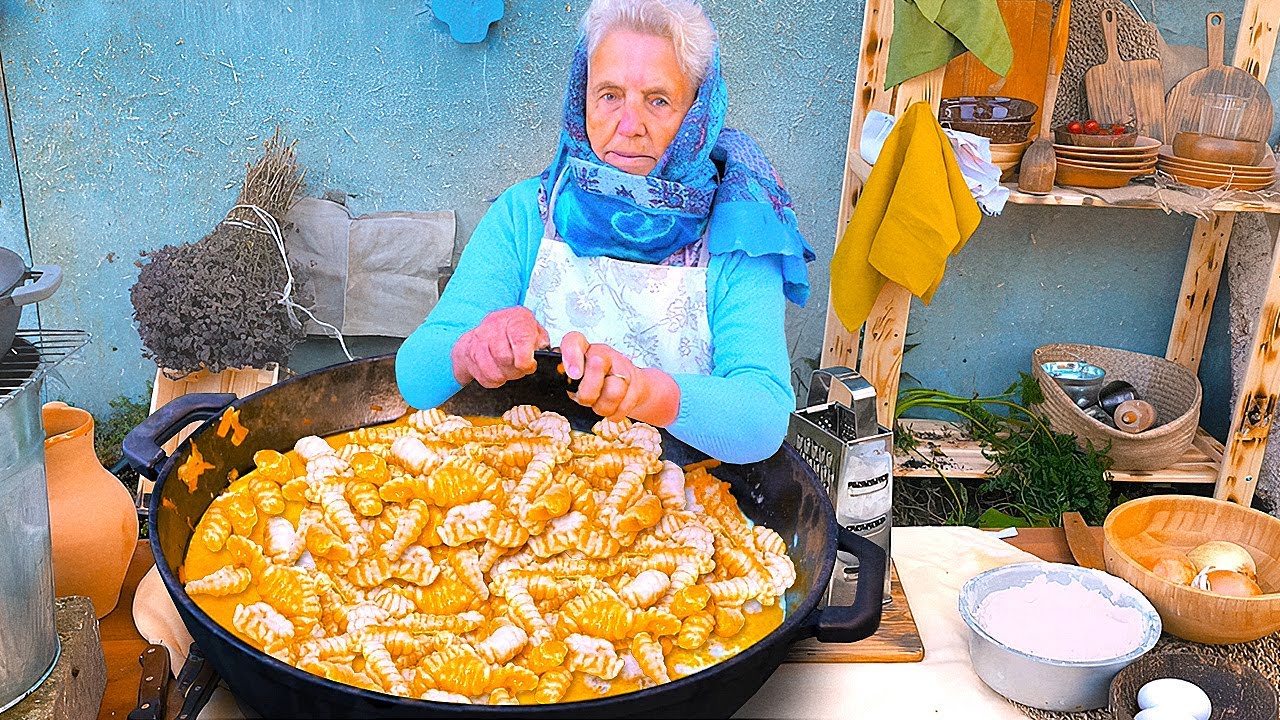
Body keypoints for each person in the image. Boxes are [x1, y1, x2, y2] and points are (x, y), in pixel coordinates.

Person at [396, 0, 813, 464]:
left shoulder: (737, 234)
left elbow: (760, 420)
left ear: (697, 114)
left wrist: (644, 394)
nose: (629, 126)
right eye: (610, 95)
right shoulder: (528, 215)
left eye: (658, 100)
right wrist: (472, 348)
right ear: (583, 99)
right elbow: (415, 376)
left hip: (675, 505)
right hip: (526, 496)